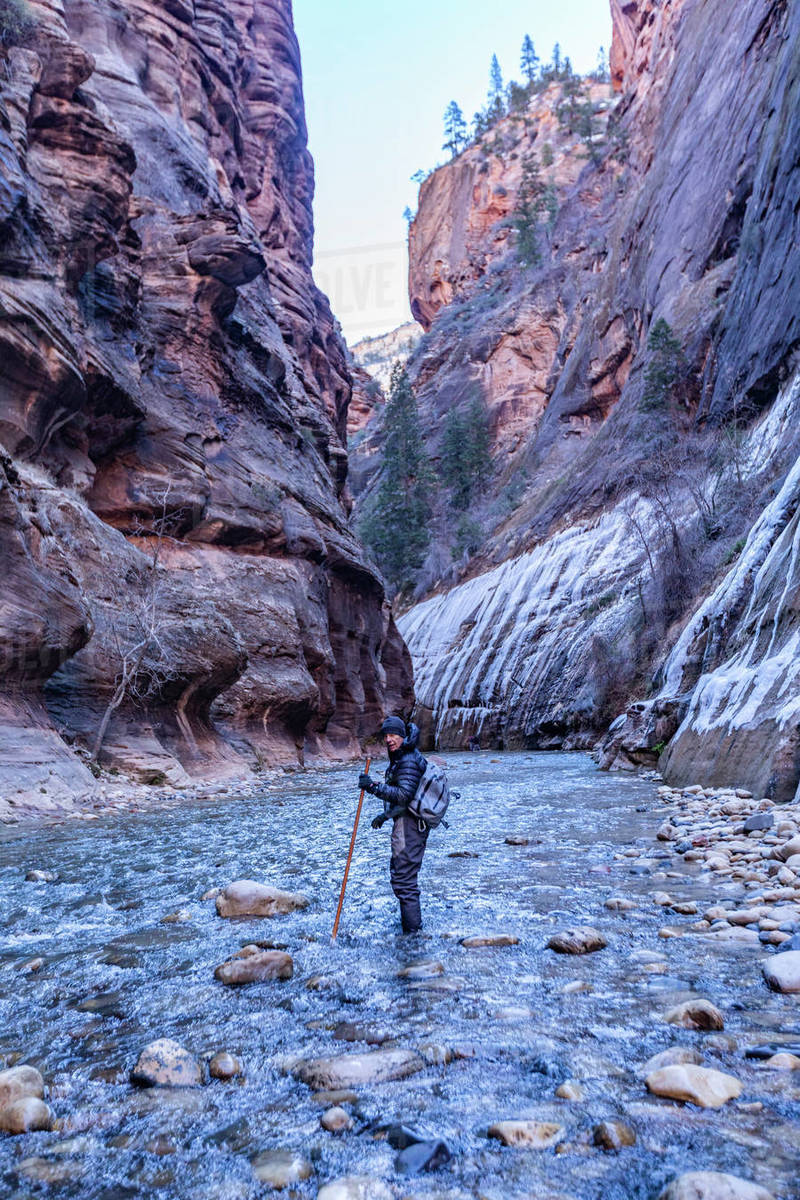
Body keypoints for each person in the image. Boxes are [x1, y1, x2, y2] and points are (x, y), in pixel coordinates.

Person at [359, 716, 428, 934]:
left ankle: (413, 937)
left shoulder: (407, 759)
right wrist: (385, 816)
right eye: (386, 735)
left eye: (393, 735)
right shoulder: (402, 756)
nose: (389, 739)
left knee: (404, 881)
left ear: (403, 736)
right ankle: (410, 930)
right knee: (402, 877)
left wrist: (373, 787)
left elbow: (404, 795)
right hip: (408, 822)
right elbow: (407, 796)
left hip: (411, 827)